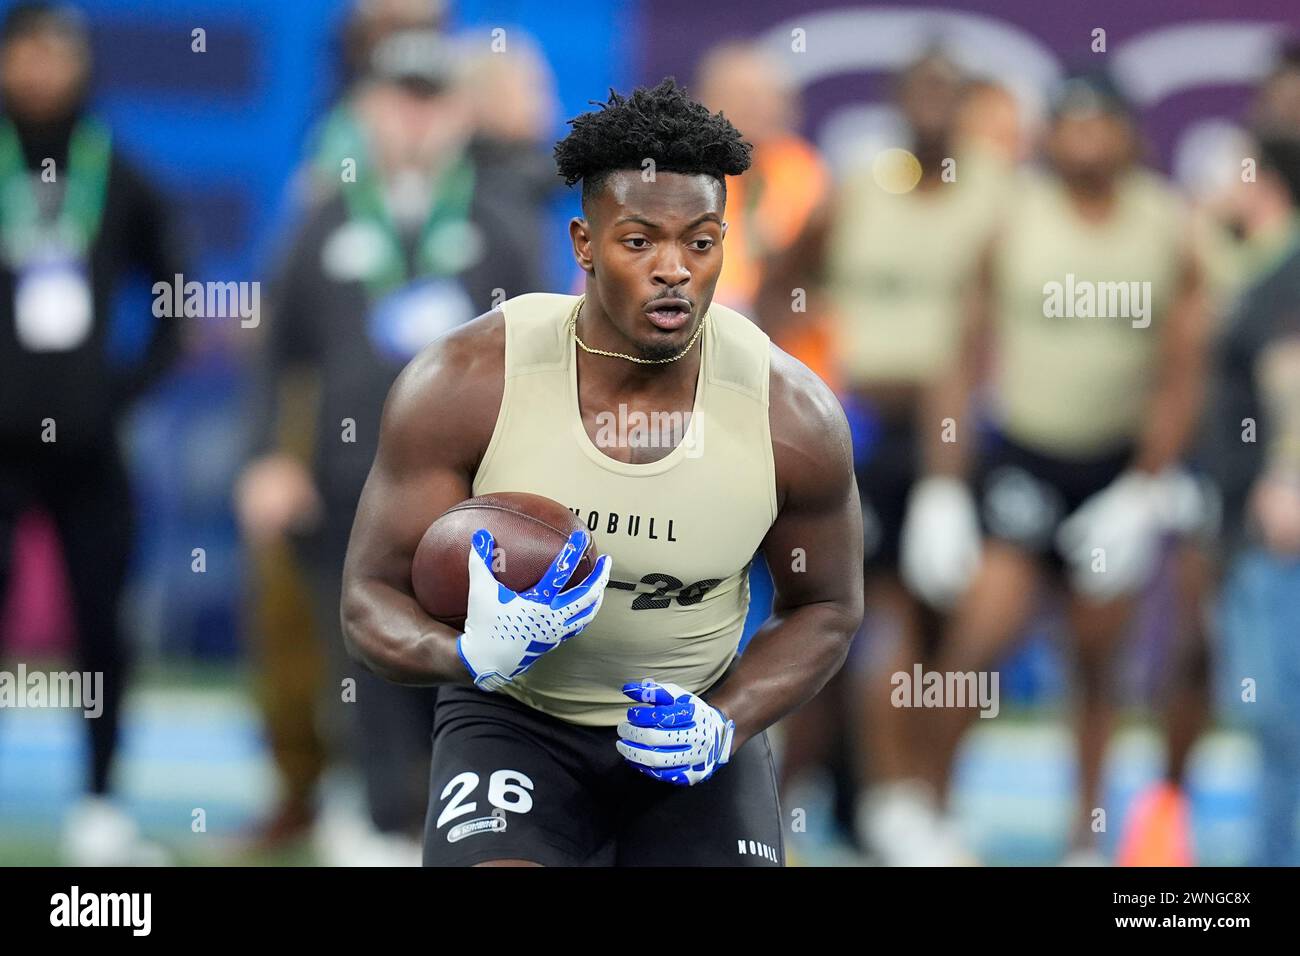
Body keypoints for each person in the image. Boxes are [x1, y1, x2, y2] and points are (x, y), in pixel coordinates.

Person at [340, 78, 864, 866]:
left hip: (686, 725)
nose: (674, 270)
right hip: (516, 723)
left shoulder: (790, 413)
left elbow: (826, 605)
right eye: (640, 240)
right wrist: (469, 656)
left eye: (701, 241)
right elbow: (367, 600)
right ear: (584, 243)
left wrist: (728, 716)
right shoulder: (468, 378)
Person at [236, 28, 544, 864]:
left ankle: (460, 816)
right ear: (367, 111)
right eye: (397, 101)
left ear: (458, 115)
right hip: (349, 476)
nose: (413, 121)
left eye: (431, 101)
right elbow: (275, 354)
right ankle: (376, 816)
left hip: (473, 485)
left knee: (468, 652)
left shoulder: (500, 224)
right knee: (364, 646)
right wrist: (269, 456)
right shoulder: (322, 221)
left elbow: (547, 358)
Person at [910, 70, 1207, 865]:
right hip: (1026, 459)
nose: (1082, 140)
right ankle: (932, 817)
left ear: (1127, 133)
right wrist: (942, 483)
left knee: (1097, 660)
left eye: (1097, 124)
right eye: (1067, 124)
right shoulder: (1012, 216)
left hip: (1114, 467)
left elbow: (1183, 368)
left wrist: (1148, 484)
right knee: (974, 645)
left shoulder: (1166, 222)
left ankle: (1085, 837)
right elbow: (962, 352)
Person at [758, 50, 1008, 863]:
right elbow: (782, 285)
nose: (933, 103)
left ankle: (923, 798)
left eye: (948, 89)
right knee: (865, 613)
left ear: (964, 103)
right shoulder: (862, 190)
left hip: (964, 435)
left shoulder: (998, 192)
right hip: (863, 427)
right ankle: (866, 802)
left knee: (955, 625)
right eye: (920, 87)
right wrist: (777, 387)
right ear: (900, 98)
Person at [0, 2, 185, 864]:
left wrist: (122, 392)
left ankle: (102, 804)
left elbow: (176, 295)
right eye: (25, 53)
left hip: (88, 447)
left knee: (102, 624)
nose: (40, 70)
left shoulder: (118, 173)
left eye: (56, 54)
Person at [1207, 133, 1300, 867]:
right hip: (1258, 523)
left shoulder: (1285, 277)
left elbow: (1291, 377)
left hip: (1281, 533)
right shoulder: (1260, 267)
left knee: (1283, 730)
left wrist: (1290, 479)